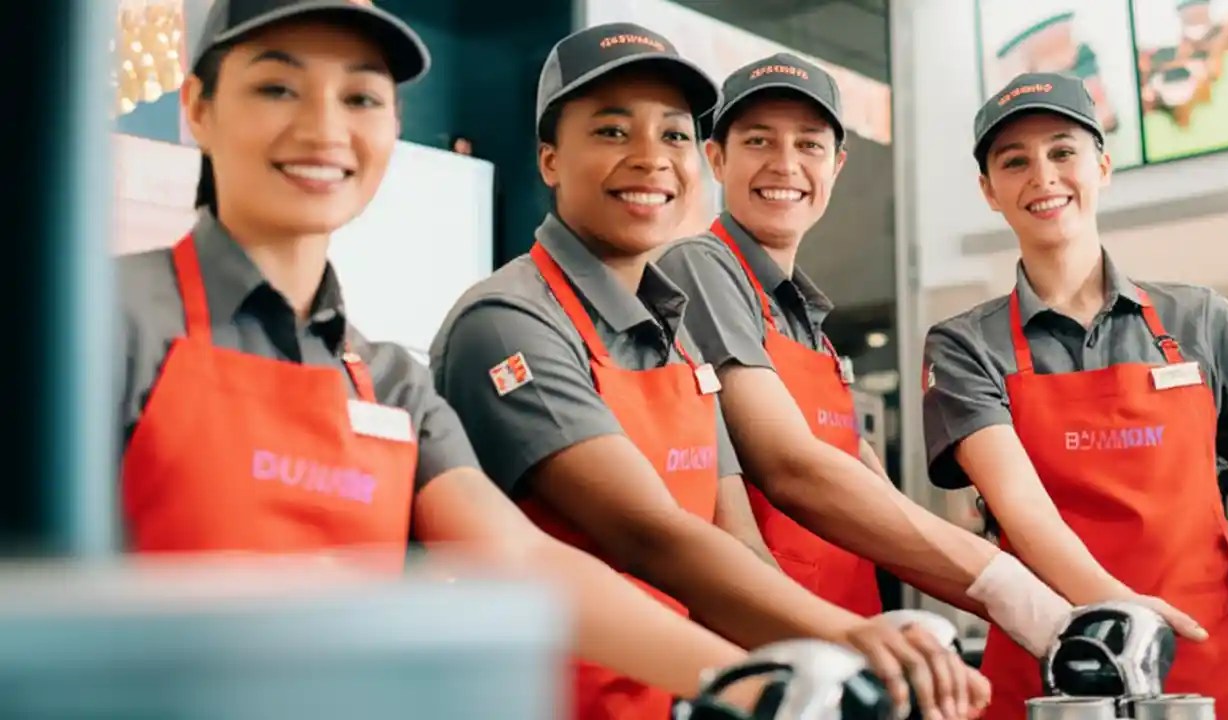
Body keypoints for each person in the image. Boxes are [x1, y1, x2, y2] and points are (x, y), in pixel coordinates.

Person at [114, 0, 771, 710]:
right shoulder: (100, 321)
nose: (324, 127)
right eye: (278, 87)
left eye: (361, 97)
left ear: (392, 128)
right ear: (198, 108)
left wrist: (757, 682)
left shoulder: (393, 386)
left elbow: (522, 560)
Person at [429, 23, 988, 720]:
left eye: (672, 135)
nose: (650, 158)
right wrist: (843, 639)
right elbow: (649, 531)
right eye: (610, 132)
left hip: (686, 696)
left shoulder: (678, 334)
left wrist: (824, 661)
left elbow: (737, 535)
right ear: (548, 159)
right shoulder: (509, 322)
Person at [655, 52, 1075, 659]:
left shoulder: (813, 328)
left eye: (809, 145)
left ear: (837, 165)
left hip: (853, 650)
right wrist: (1015, 592)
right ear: (716, 157)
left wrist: (1042, 614)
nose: (786, 164)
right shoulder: (699, 265)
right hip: (768, 655)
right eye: (758, 141)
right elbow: (788, 467)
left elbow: (884, 513)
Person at [920, 71, 1228, 719]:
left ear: (1103, 167)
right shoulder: (963, 345)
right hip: (1052, 667)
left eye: (1063, 151)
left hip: (1200, 657)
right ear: (989, 190)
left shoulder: (1201, 320)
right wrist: (1125, 616)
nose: (1043, 175)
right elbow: (1023, 512)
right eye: (1014, 161)